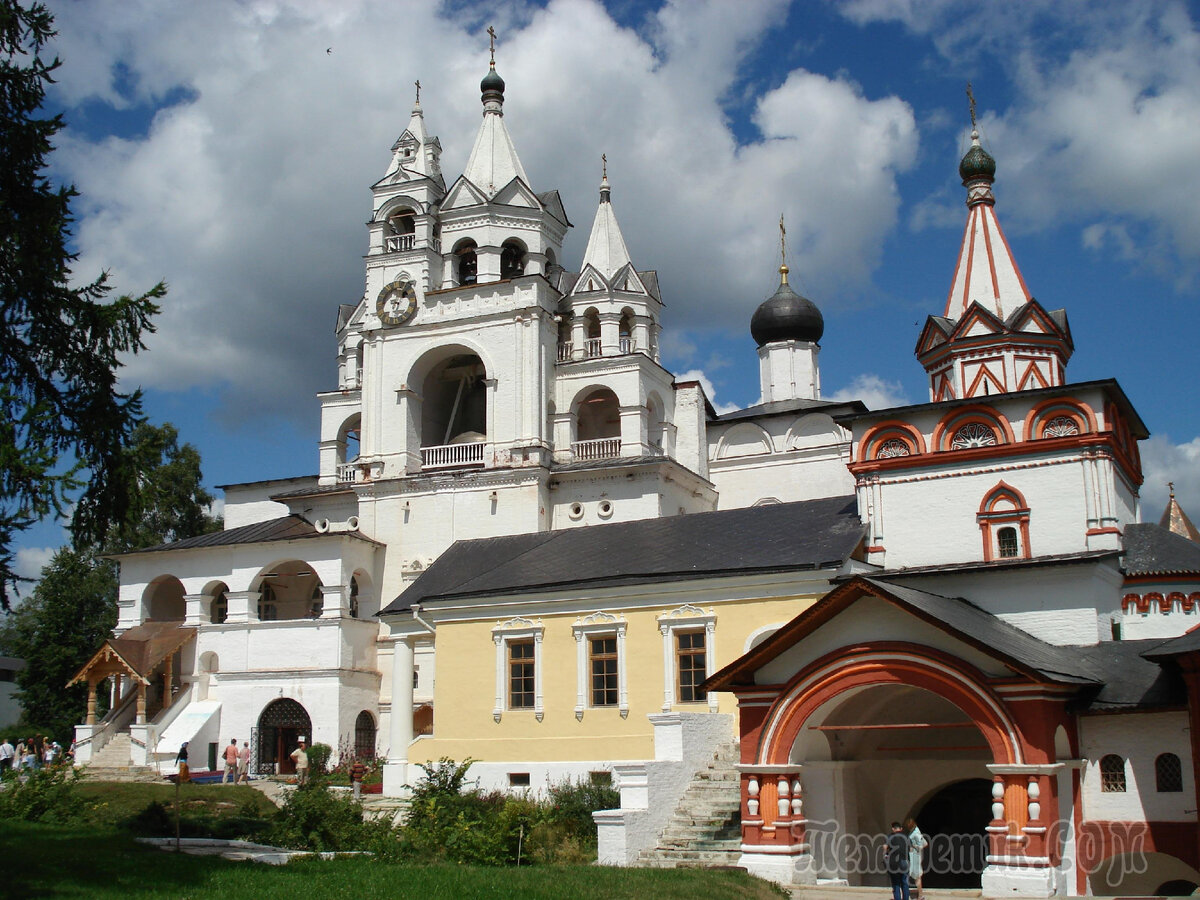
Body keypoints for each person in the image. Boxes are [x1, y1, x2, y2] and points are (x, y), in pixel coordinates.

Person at [885, 821, 911, 900]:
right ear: (901, 828)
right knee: (904, 882)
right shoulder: (906, 836)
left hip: (894, 862)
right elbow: (909, 848)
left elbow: (885, 847)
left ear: (893, 829)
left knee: (896, 883)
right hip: (904, 861)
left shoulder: (890, 836)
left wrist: (887, 854)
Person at [905, 817, 927, 899]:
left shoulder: (916, 833)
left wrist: (913, 846)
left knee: (917, 877)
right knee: (914, 876)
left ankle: (920, 895)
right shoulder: (915, 832)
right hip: (913, 857)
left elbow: (922, 845)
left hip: (915, 857)